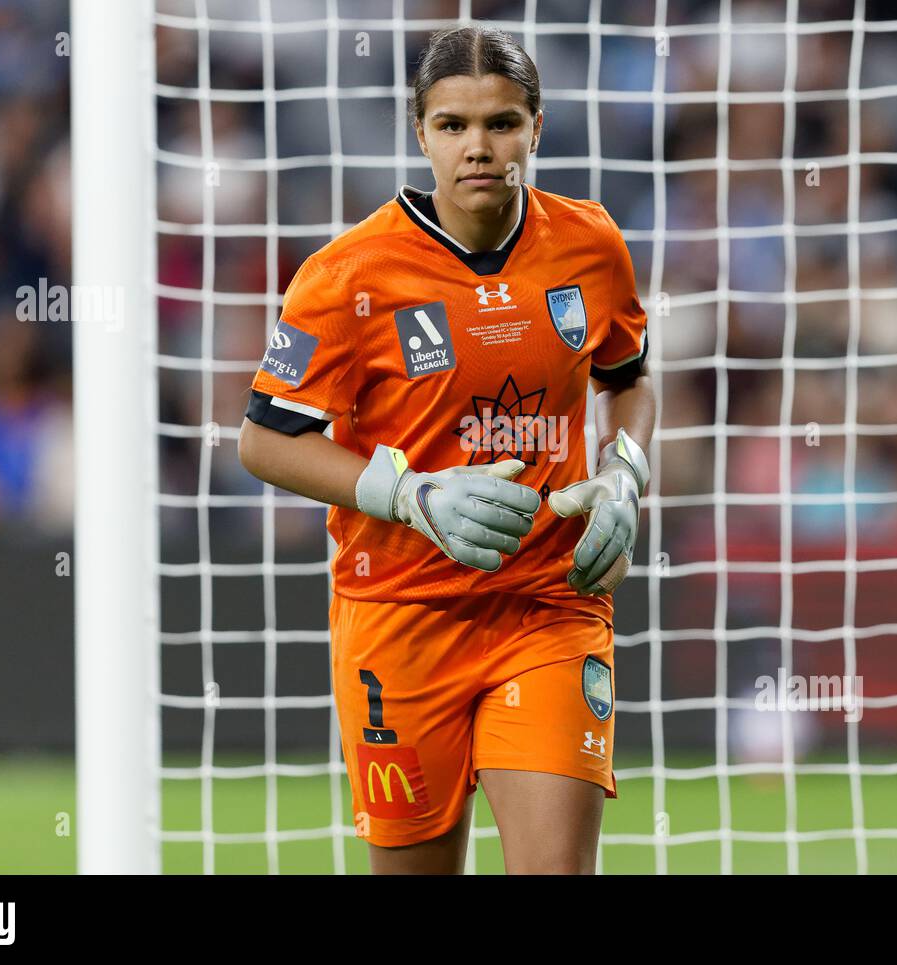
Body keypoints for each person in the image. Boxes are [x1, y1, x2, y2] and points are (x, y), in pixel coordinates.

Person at [238, 24, 654, 874]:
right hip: (401, 613)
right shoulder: (348, 274)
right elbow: (265, 441)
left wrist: (625, 473)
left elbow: (630, 380)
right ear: (419, 131)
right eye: (454, 125)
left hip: (548, 603)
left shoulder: (591, 245)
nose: (480, 147)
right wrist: (412, 496)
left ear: (536, 126)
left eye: (502, 123)